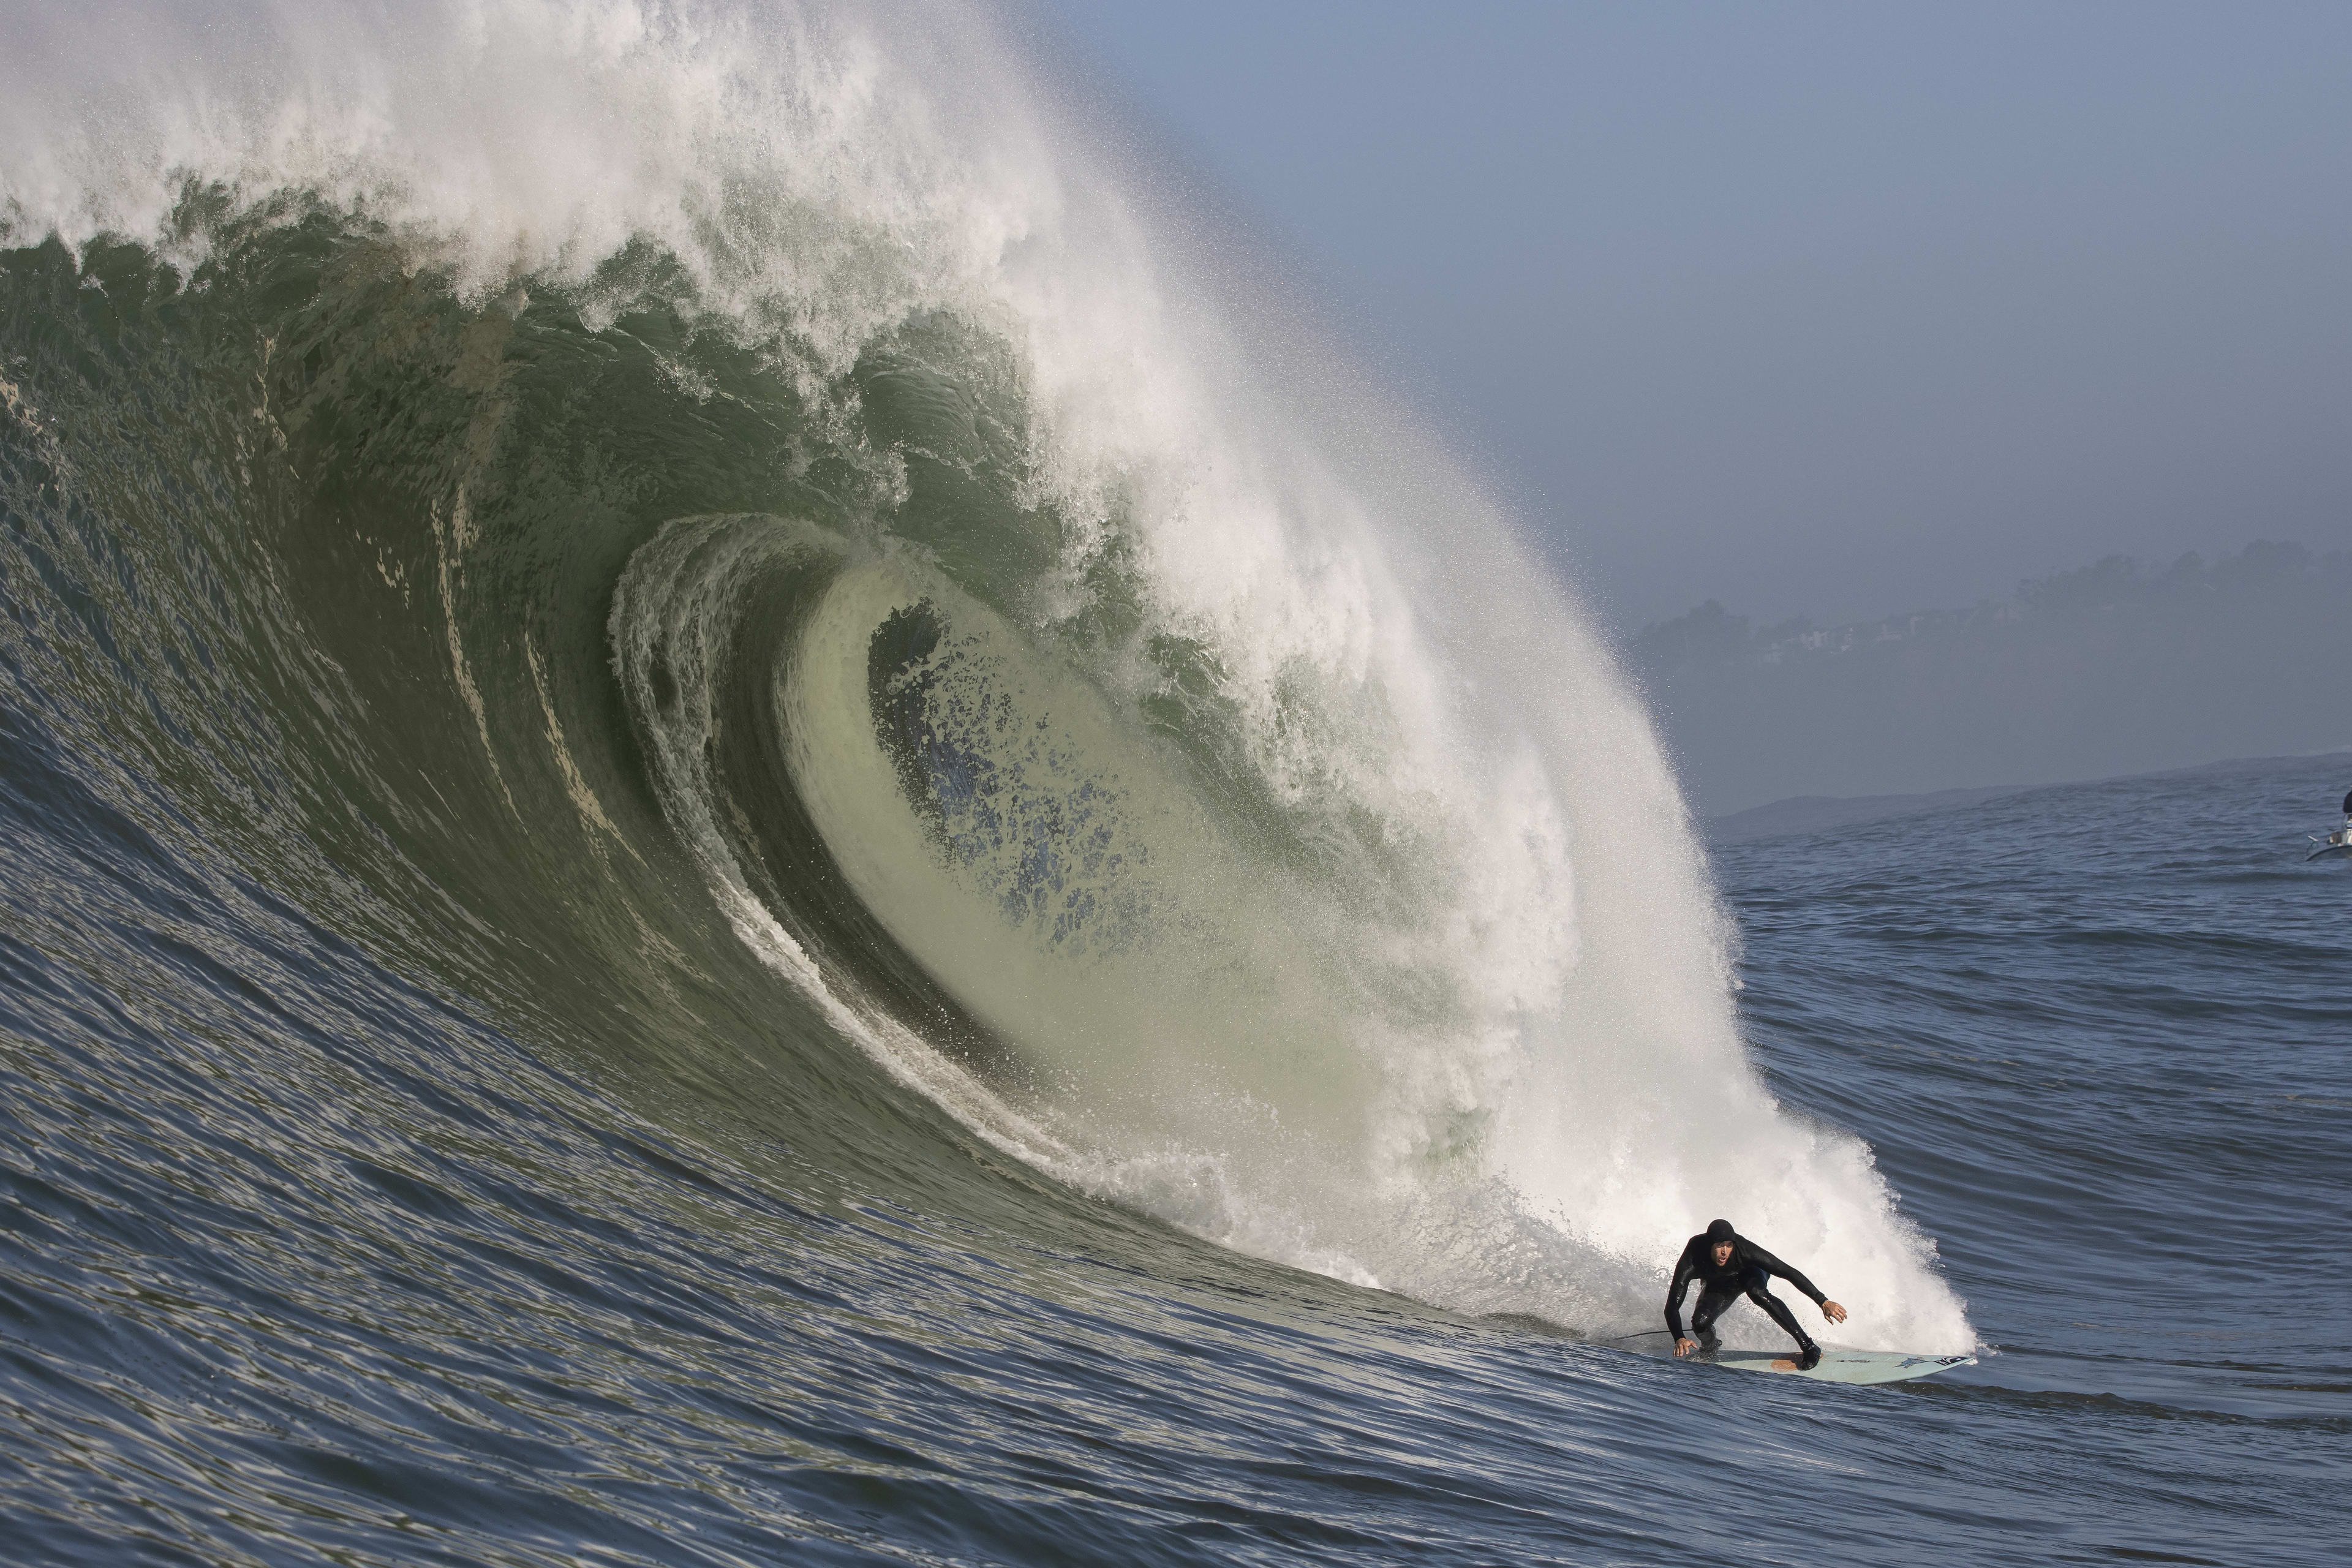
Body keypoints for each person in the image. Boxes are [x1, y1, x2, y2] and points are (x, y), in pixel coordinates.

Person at [1665, 1218, 1847, 1370]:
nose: (1725, 1252)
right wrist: (1679, 1337)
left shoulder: (1745, 1250)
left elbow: (1787, 1271)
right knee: (1700, 1323)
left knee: (1758, 1293)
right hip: (1719, 1284)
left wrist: (1822, 1301)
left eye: (1729, 1245)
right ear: (1709, 1245)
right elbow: (1672, 1306)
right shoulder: (1693, 1257)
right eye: (1720, 1246)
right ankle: (1710, 1347)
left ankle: (1809, 1346)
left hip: (1750, 1273)